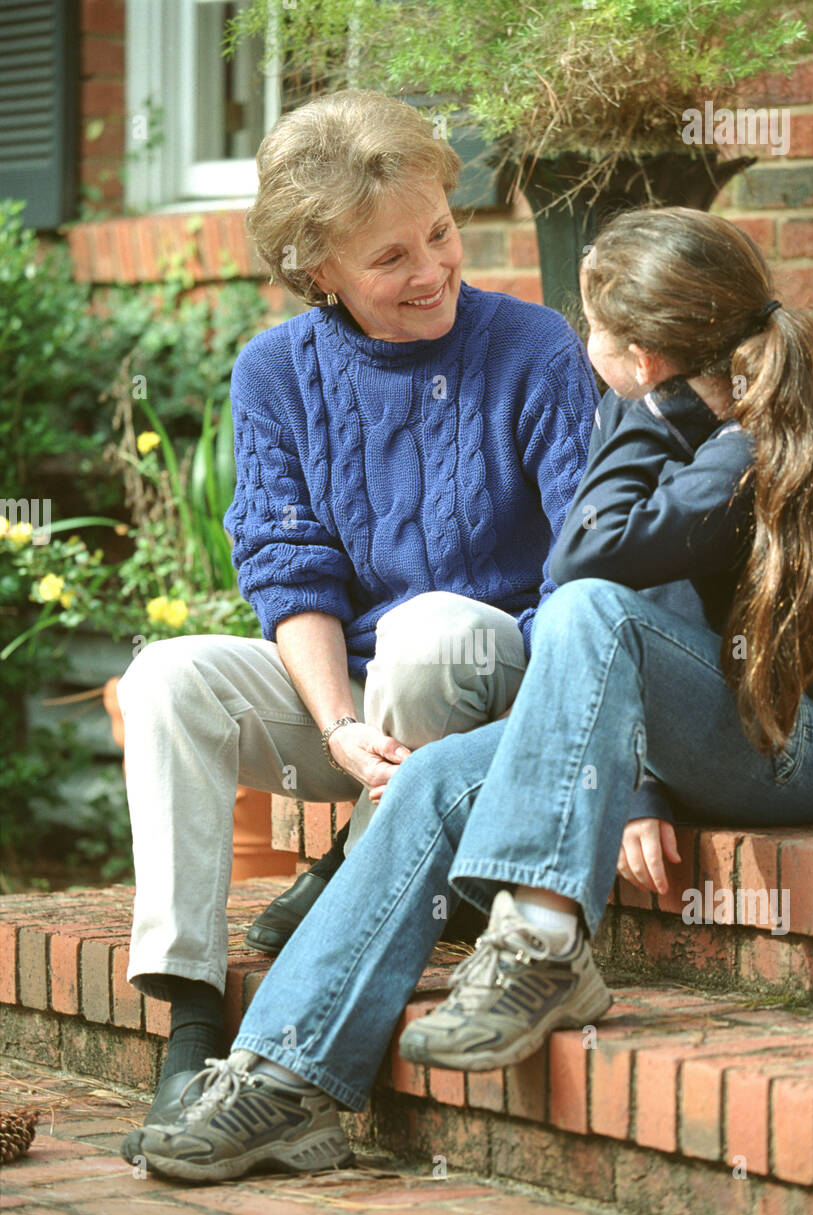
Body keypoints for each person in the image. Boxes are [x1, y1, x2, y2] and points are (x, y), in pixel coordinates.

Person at [136, 206, 813, 1184]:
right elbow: (615, 594)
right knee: (433, 779)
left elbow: (592, 574)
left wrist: (642, 783)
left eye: (595, 333)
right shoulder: (649, 414)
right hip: (685, 727)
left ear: (643, 356)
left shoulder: (741, 449)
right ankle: (284, 1074)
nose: (581, 346)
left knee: (586, 610)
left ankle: (540, 941)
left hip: (800, 741)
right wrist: (635, 412)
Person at [116, 88, 598, 1160]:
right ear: (316, 267)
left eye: (440, 233)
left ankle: (350, 886)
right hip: (360, 699)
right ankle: (190, 1021)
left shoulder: (534, 346)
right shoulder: (275, 372)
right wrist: (334, 723)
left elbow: (589, 570)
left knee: (435, 629)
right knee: (166, 677)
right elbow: (291, 570)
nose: (430, 270)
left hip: (489, 692)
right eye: (389, 259)